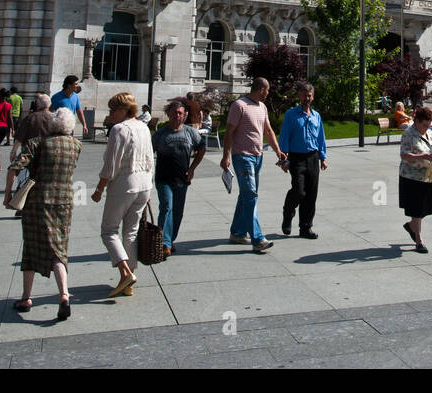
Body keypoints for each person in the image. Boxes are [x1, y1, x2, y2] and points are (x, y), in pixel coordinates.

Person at [7, 107, 82, 320]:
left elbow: (14, 168)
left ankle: (26, 297)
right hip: (64, 201)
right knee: (58, 248)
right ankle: (64, 295)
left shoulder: (37, 144)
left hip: (38, 201)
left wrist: (7, 196)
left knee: (31, 246)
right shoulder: (76, 146)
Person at [90, 92, 154, 297]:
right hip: (144, 184)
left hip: (124, 185)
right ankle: (128, 281)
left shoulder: (118, 130)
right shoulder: (144, 127)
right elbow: (150, 158)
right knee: (131, 232)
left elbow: (111, 165)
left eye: (112, 110)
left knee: (108, 230)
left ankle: (125, 272)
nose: (110, 115)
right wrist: (149, 185)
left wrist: (99, 188)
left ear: (123, 110)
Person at [220, 77, 287, 253]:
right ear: (261, 89)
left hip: (258, 157)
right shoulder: (239, 105)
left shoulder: (262, 107)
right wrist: (226, 155)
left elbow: (268, 131)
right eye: (267, 91)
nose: (268, 94)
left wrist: (278, 151)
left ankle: (238, 232)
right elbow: (229, 132)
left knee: (246, 195)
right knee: (250, 195)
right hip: (242, 156)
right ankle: (257, 238)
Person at [152, 99, 207, 256]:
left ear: (185, 115)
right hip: (163, 178)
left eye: (180, 113)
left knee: (177, 212)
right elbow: (149, 153)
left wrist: (192, 168)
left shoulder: (190, 132)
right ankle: (164, 243)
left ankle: (170, 239)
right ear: (168, 114)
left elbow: (202, 148)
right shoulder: (160, 134)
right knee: (166, 207)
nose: (177, 116)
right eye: (174, 112)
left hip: (182, 179)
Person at [279, 81, 327, 239]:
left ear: (312, 97)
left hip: (312, 157)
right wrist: (283, 158)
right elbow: (284, 136)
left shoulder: (316, 116)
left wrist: (322, 157)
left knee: (311, 194)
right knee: (299, 191)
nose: (307, 98)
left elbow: (321, 138)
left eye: (310, 95)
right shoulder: (291, 115)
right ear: (299, 96)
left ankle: (306, 227)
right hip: (297, 158)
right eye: (304, 95)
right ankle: (288, 212)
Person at [399, 106, 432, 254]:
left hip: (427, 176)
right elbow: (404, 155)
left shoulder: (429, 132)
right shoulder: (408, 134)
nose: (426, 128)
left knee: (425, 209)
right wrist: (423, 156)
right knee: (416, 210)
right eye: (424, 124)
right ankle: (419, 240)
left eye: (429, 125)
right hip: (411, 177)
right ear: (417, 121)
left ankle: (412, 226)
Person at [13, 93, 52, 161]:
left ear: (38, 105)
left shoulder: (30, 118)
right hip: (48, 151)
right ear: (49, 104)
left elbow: (20, 136)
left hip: (30, 152)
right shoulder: (54, 118)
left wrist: (14, 151)